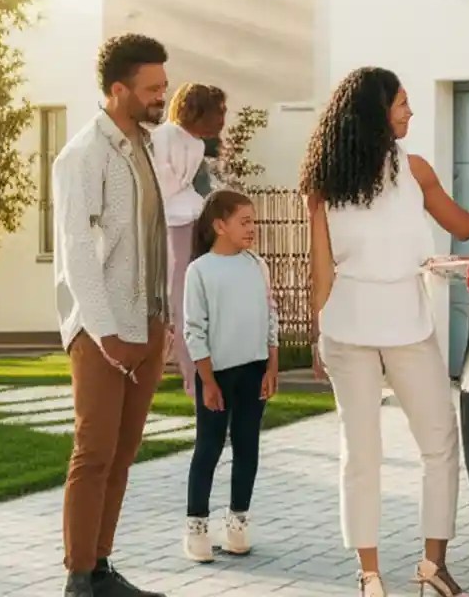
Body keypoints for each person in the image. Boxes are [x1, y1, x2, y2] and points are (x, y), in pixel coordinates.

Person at [300, 66, 469, 597]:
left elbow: (462, 227)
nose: (410, 112)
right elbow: (320, 267)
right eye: (402, 104)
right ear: (376, 111)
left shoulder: (409, 170)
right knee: (391, 448)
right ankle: (383, 573)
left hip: (381, 323)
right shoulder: (328, 184)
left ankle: (412, 570)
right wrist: (319, 336)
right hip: (365, 327)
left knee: (412, 445)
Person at [52, 33, 171, 597]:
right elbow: (77, 252)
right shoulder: (82, 155)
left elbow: (149, 241)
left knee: (123, 454)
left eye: (164, 87)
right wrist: (105, 334)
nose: (162, 97)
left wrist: (160, 322)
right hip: (103, 331)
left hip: (145, 324)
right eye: (152, 88)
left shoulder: (142, 146)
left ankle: (100, 566)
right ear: (118, 89)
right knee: (94, 450)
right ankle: (78, 577)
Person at [180, 189, 279, 563]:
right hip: (216, 374)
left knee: (247, 448)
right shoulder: (199, 271)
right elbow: (194, 330)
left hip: (253, 370)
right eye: (245, 221)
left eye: (253, 221)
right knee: (208, 448)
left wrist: (272, 366)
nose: (252, 228)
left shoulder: (257, 265)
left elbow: (271, 317)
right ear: (219, 225)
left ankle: (238, 526)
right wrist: (207, 380)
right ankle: (197, 529)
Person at [151, 83, 228, 402]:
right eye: (218, 111)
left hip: (191, 222)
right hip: (173, 226)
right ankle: (193, 383)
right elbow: (162, 185)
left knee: (198, 306)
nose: (222, 118)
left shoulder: (195, 145)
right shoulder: (164, 137)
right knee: (183, 307)